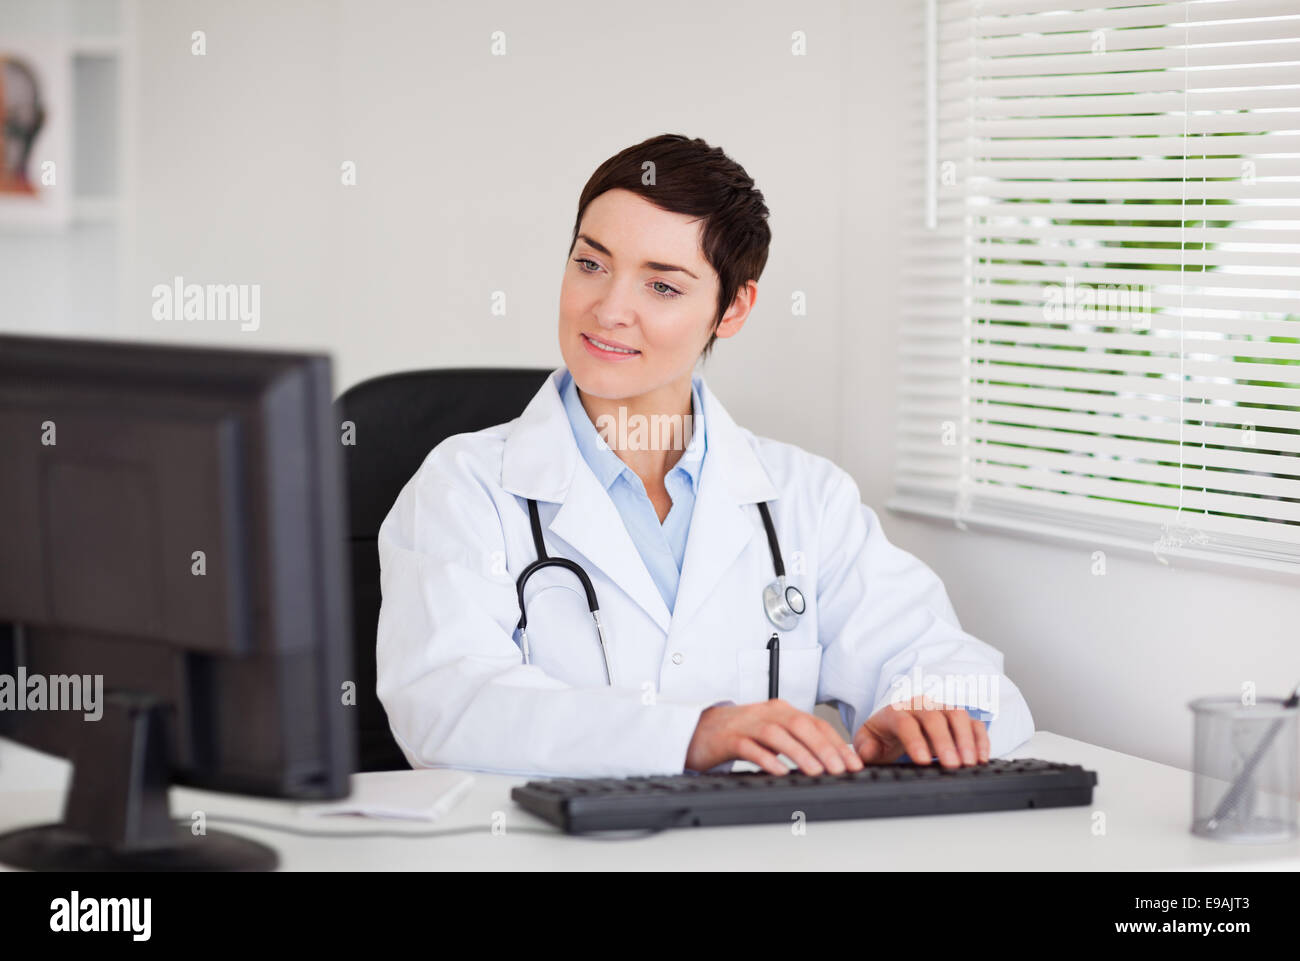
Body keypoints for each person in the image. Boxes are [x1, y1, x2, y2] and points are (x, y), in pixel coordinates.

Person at [376, 133, 1034, 778]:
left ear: (734, 308)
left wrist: (925, 711)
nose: (608, 308)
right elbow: (445, 706)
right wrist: (692, 733)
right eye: (591, 263)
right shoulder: (463, 488)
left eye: (662, 286)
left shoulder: (806, 499)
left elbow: (953, 667)